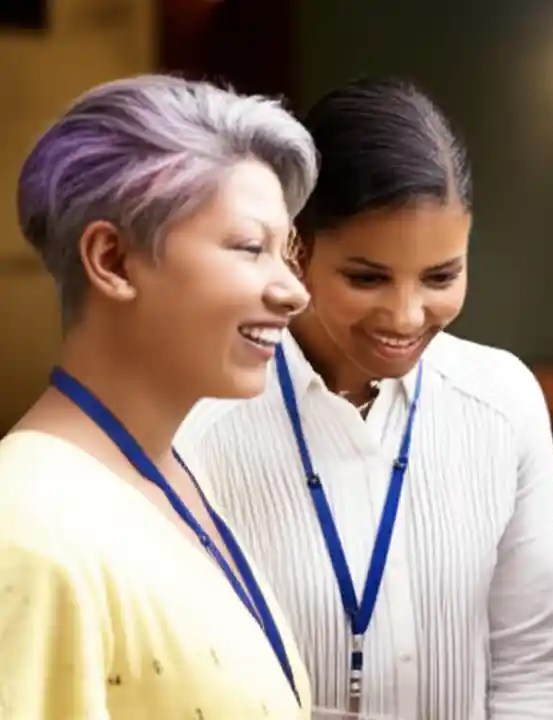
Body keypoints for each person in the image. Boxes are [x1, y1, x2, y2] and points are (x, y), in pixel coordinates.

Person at [175, 77, 553, 719]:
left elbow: (532, 664)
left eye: (442, 276)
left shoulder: (502, 402)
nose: (406, 314)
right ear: (294, 245)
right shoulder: (199, 419)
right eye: (367, 278)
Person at [0, 74, 317, 717]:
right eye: (250, 248)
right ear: (112, 261)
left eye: (286, 253)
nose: (293, 291)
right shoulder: (27, 529)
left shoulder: (174, 473)